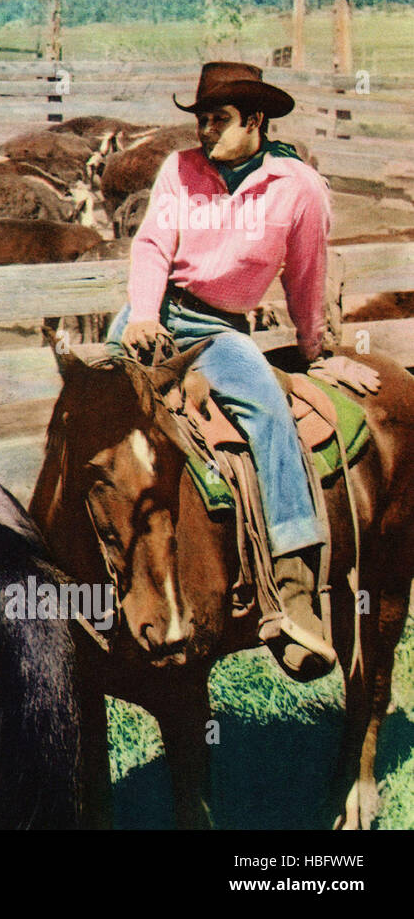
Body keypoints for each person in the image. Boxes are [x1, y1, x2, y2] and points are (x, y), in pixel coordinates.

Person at [108, 60, 378, 681]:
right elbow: (152, 245)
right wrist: (144, 314)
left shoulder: (299, 188)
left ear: (256, 120)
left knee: (266, 409)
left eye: (219, 120)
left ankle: (293, 588)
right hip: (155, 314)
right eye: (201, 119)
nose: (205, 131)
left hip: (217, 331)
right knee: (97, 406)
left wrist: (317, 351)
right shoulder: (179, 170)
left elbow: (305, 274)